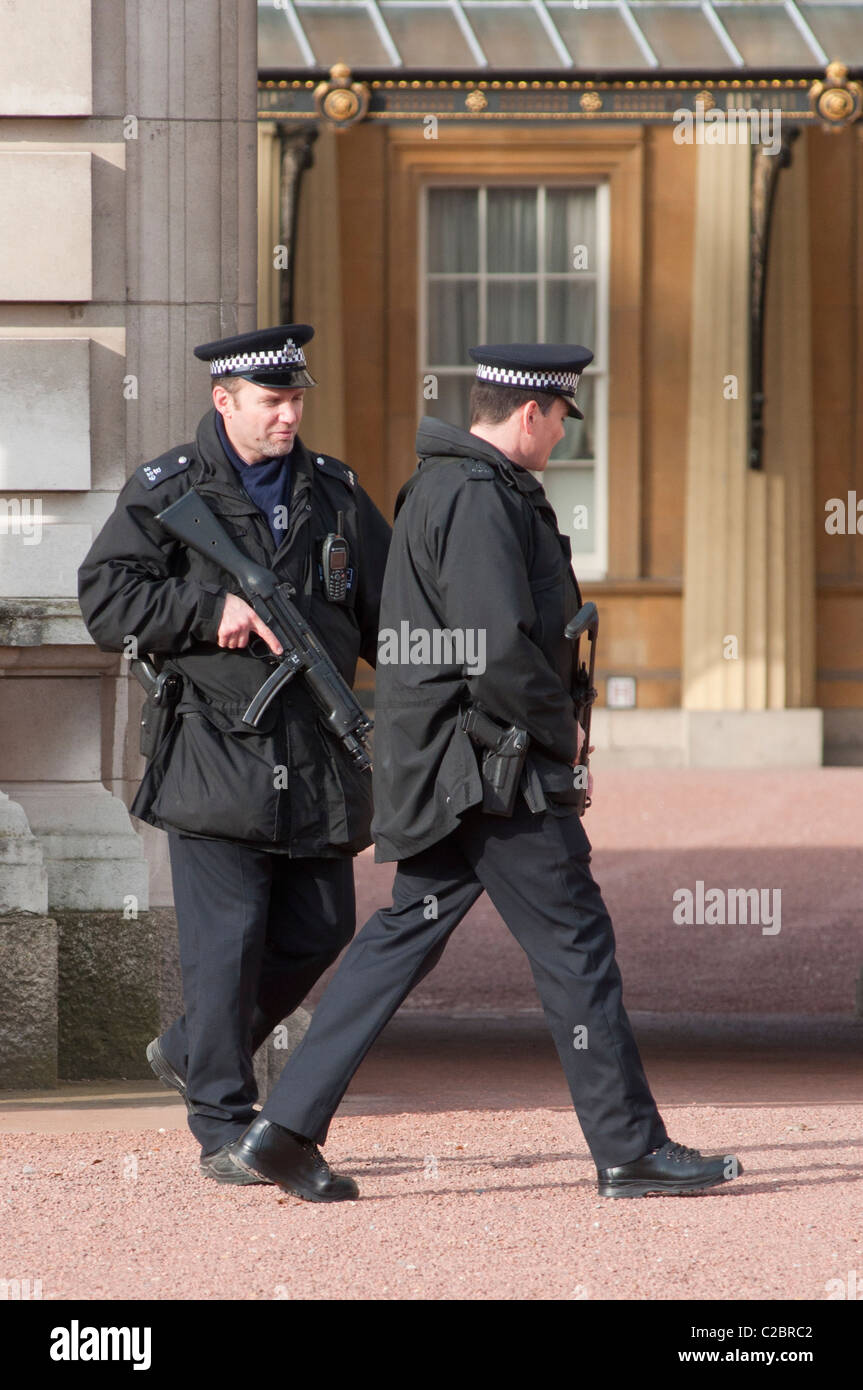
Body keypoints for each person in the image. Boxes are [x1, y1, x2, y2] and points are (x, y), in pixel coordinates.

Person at [228, 342, 743, 1202]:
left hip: (462, 768)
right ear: (531, 412)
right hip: (491, 772)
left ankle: (281, 1131)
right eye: (558, 419)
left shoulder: (458, 486)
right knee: (575, 945)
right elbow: (496, 650)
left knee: (397, 943)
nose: (560, 438)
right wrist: (558, 739)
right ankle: (628, 1150)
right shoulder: (474, 495)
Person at [78, 325, 391, 1183]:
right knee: (227, 943)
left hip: (314, 755)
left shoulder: (332, 493)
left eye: (295, 400)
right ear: (225, 402)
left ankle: (190, 1048)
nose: (288, 416)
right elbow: (105, 596)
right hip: (215, 751)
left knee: (321, 926)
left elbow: (388, 609)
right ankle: (222, 1121)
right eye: (271, 401)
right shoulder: (168, 490)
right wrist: (206, 608)